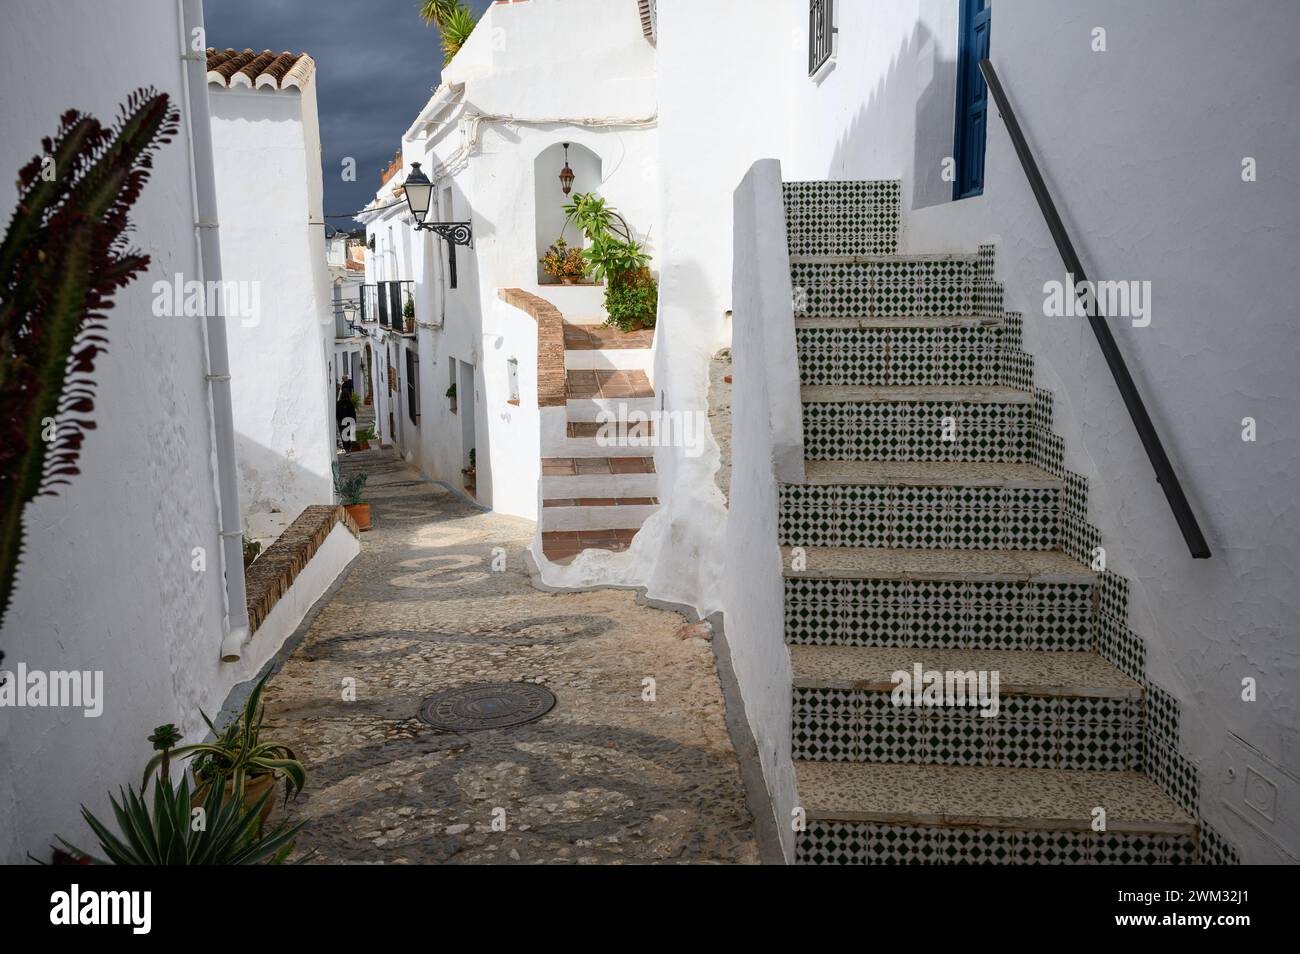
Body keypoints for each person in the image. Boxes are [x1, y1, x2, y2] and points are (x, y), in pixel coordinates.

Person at [336, 378, 356, 450]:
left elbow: (337, 413)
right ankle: (351, 447)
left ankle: (346, 450)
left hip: (342, 421)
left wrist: (338, 421)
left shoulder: (338, 404)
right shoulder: (350, 404)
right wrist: (354, 422)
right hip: (350, 420)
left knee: (344, 437)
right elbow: (353, 414)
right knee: (351, 435)